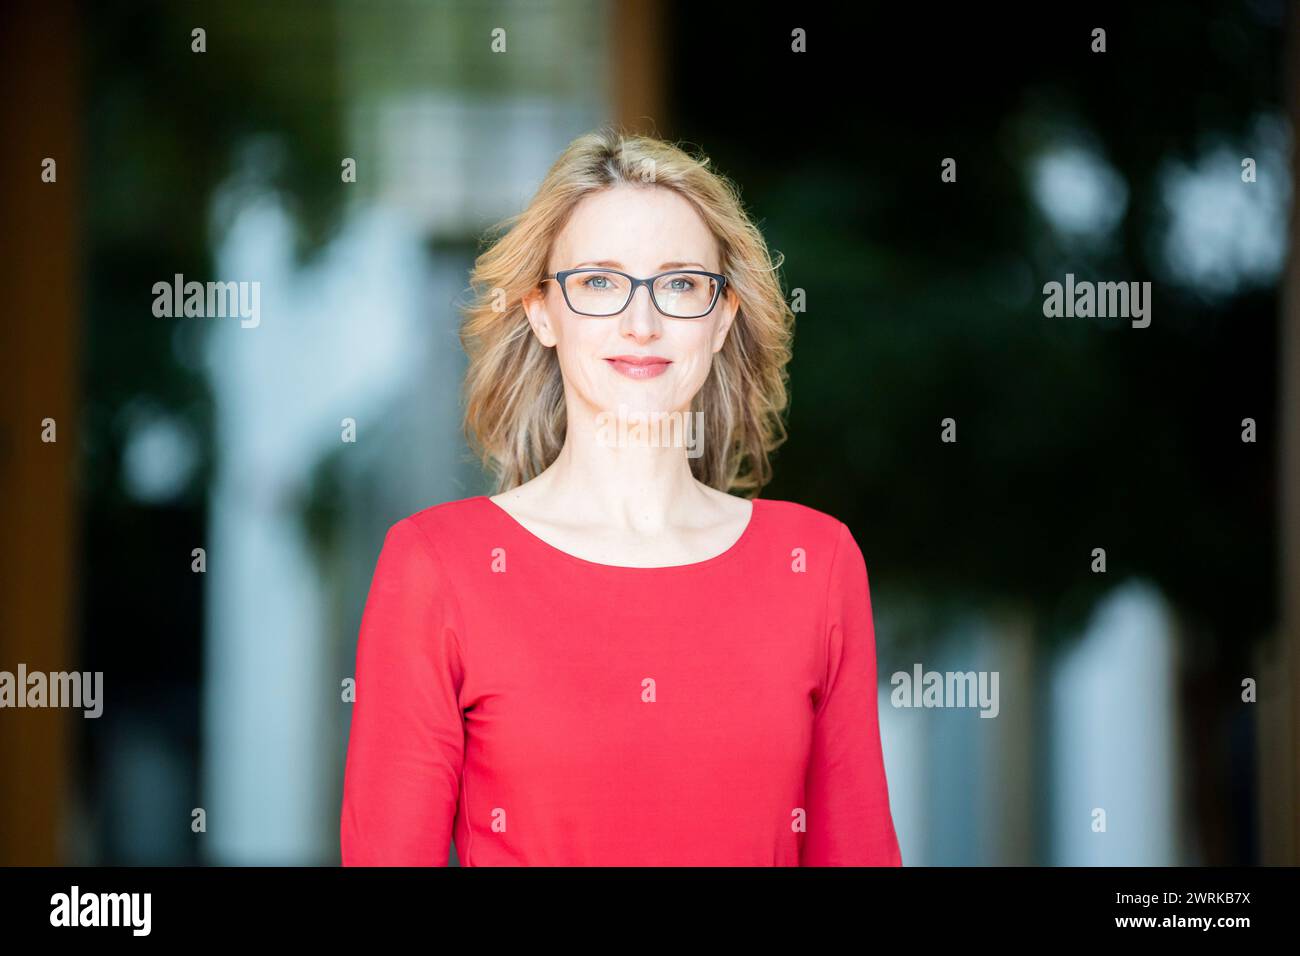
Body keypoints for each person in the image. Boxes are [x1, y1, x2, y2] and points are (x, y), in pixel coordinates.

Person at [339, 126, 902, 866]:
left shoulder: (816, 562)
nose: (642, 323)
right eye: (600, 282)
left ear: (723, 314)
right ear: (542, 311)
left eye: (679, 283)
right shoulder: (437, 567)